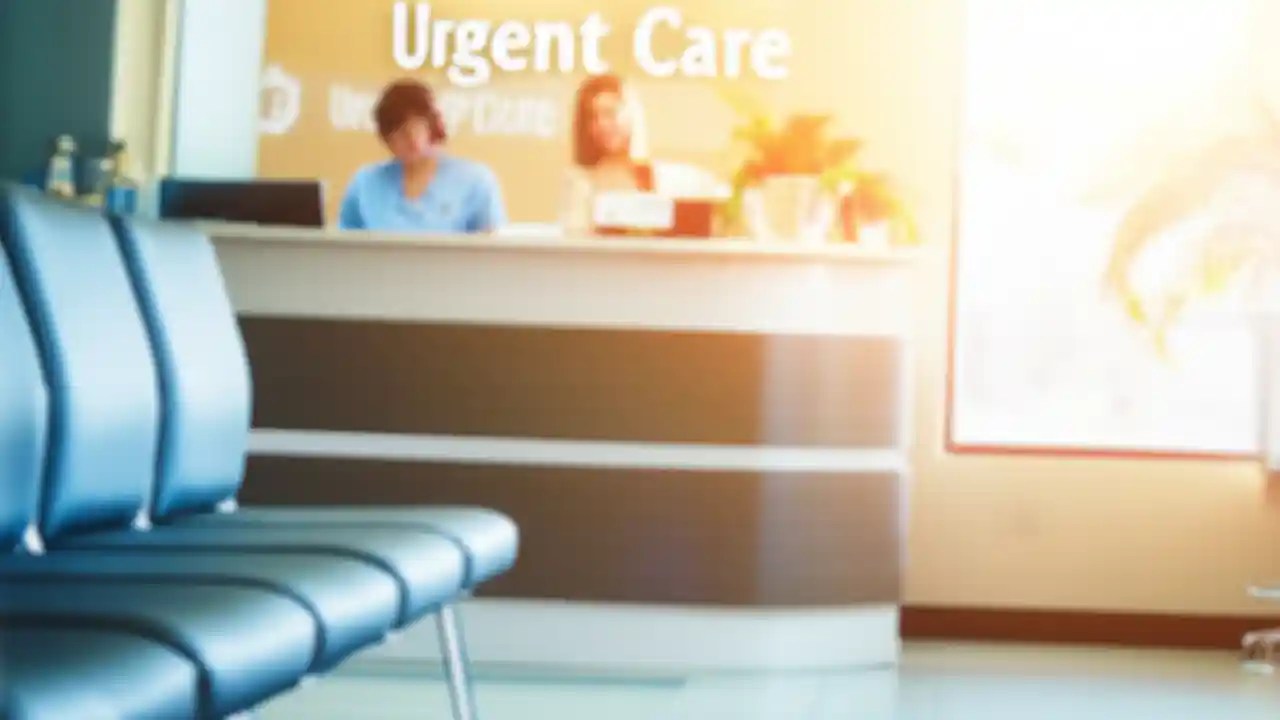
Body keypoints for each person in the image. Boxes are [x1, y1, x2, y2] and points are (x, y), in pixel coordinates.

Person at [560, 74, 727, 234]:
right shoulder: (580, 182)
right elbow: (575, 240)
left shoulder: (670, 177)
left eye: (609, 113)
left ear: (632, 115)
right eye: (592, 117)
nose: (601, 124)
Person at [339, 78, 506, 233]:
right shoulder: (366, 183)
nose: (413, 140)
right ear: (387, 137)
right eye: (401, 132)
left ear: (433, 126)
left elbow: (491, 248)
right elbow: (344, 246)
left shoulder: (476, 181)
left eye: (418, 127)